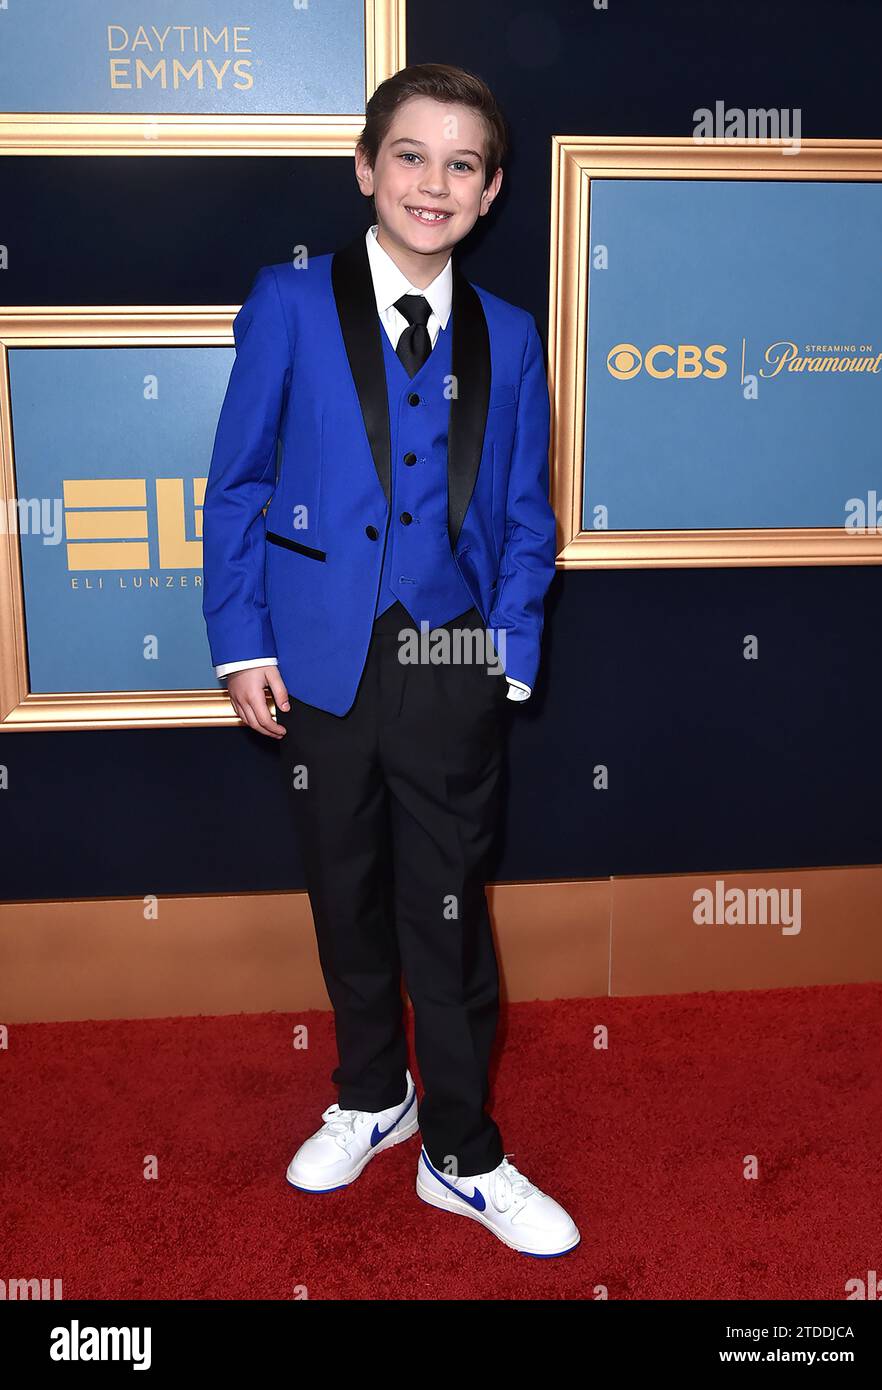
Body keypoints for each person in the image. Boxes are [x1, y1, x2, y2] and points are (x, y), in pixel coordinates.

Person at [202, 63, 579, 1258]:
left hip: (452, 657)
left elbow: (525, 512)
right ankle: (374, 1094)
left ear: (492, 190)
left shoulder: (510, 338)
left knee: (451, 913)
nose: (434, 182)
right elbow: (240, 481)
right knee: (343, 888)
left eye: (461, 163)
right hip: (313, 660)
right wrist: (239, 639)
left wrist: (506, 654)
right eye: (410, 156)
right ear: (366, 170)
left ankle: (461, 1154)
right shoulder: (289, 299)